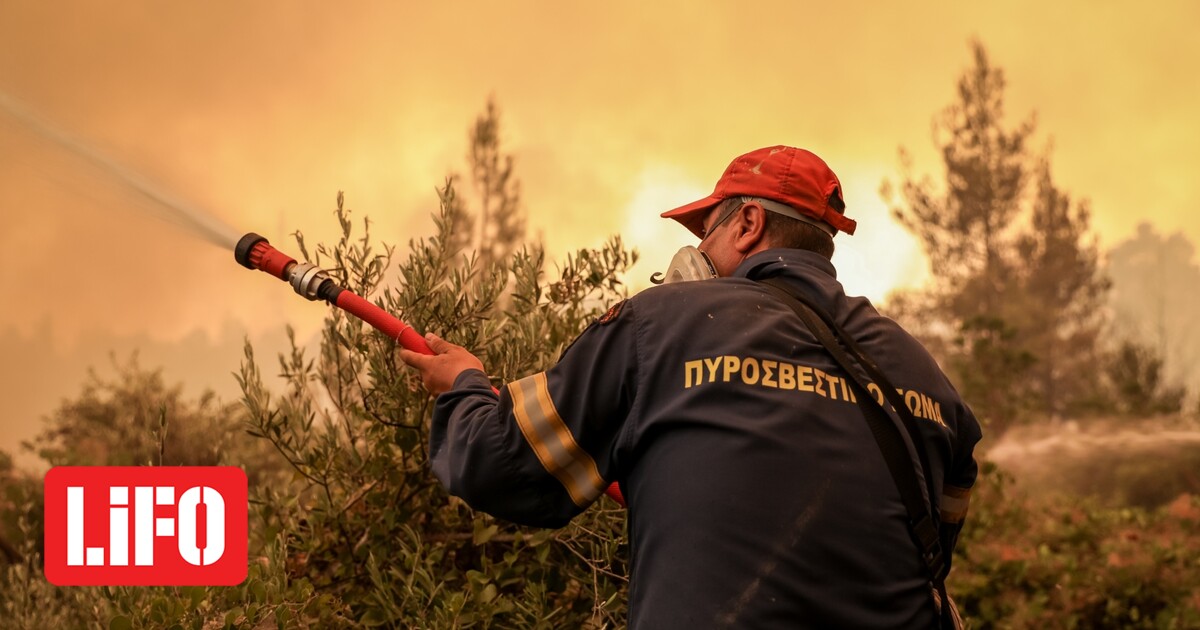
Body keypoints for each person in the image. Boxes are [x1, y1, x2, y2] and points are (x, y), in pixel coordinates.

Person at [400, 145, 982, 628]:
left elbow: (502, 466)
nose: (698, 249)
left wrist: (465, 386)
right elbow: (932, 541)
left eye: (709, 230)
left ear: (749, 224)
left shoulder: (658, 326)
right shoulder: (923, 372)